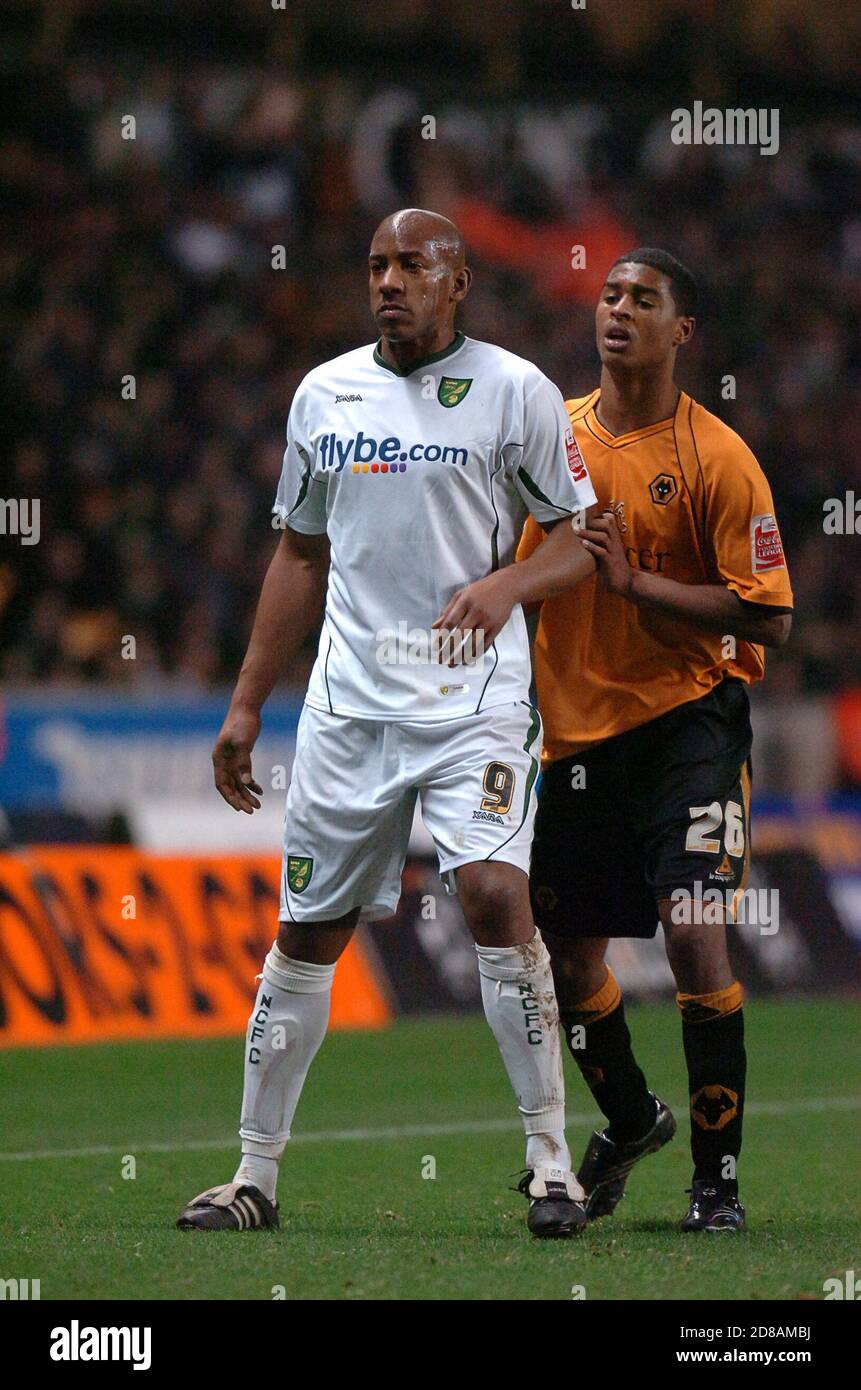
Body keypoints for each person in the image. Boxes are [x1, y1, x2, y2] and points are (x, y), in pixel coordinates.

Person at [176, 208, 598, 1237]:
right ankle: (254, 1176)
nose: (390, 281)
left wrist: (507, 585)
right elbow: (298, 554)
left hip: (475, 704)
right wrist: (245, 702)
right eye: (376, 265)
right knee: (307, 931)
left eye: (415, 264)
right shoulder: (325, 395)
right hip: (350, 708)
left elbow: (585, 541)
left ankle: (551, 1165)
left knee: (497, 896)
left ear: (459, 282)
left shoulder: (516, 391)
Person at [518, 248, 793, 1232]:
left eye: (645, 298)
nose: (619, 309)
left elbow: (770, 617)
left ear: (684, 332)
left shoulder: (719, 457)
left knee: (692, 929)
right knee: (567, 954)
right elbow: (529, 581)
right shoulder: (554, 443)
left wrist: (639, 588)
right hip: (580, 740)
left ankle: (715, 1182)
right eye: (610, 295)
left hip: (691, 725)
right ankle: (632, 1120)